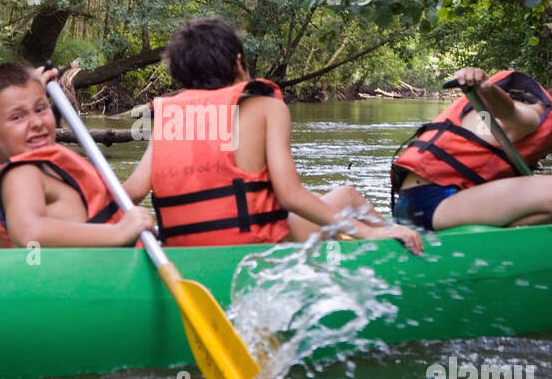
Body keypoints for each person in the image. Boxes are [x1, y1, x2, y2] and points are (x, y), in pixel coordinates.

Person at [122, 17, 423, 253]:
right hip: (255, 249)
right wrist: (368, 231)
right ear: (238, 62)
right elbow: (290, 196)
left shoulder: (171, 118)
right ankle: (396, 251)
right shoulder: (266, 108)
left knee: (343, 196)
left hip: (187, 252)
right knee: (349, 198)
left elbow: (131, 192)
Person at [0, 62, 154, 248]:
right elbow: (27, 232)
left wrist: (30, 88)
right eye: (17, 117)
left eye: (41, 109)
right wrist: (119, 233)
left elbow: (124, 197)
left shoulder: (36, 167)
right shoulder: (22, 174)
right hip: (81, 280)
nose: (36, 122)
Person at [391, 67, 552, 230]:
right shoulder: (532, 118)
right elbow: (510, 112)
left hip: (413, 205)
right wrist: (487, 88)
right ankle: (509, 246)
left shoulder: (524, 125)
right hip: (430, 204)